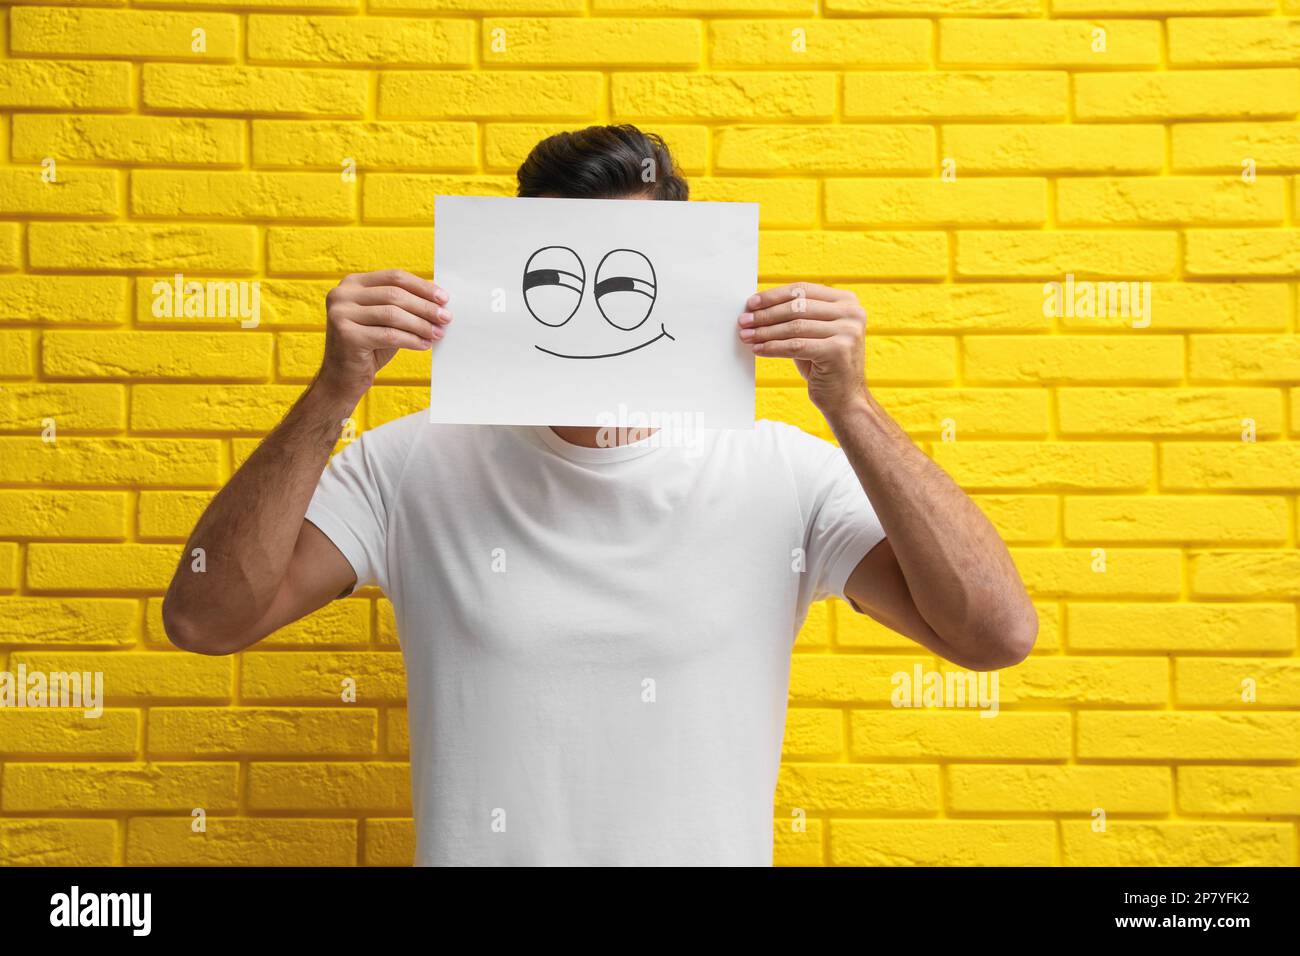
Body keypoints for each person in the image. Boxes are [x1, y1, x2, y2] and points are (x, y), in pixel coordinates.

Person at [163, 124, 1037, 866]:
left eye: (622, 283)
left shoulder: (784, 473)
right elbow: (206, 620)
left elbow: (994, 634)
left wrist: (851, 404)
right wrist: (332, 392)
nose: (585, 313)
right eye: (554, 282)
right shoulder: (409, 465)